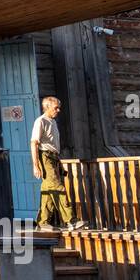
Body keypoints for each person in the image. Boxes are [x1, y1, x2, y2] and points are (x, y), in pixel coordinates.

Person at [31, 96, 86, 232]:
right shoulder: (41, 121)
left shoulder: (53, 122)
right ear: (47, 107)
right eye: (56, 107)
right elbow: (34, 143)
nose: (58, 110)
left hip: (54, 157)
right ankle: (71, 221)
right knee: (58, 187)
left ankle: (43, 222)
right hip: (45, 157)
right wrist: (36, 165)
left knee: (49, 191)